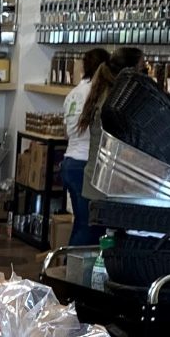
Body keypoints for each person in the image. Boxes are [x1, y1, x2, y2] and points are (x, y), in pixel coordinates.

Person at [61, 47, 111, 247]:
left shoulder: (72, 94)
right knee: (88, 226)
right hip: (85, 166)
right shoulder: (98, 93)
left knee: (82, 223)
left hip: (69, 162)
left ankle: (69, 267)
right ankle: (71, 270)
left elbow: (66, 132)